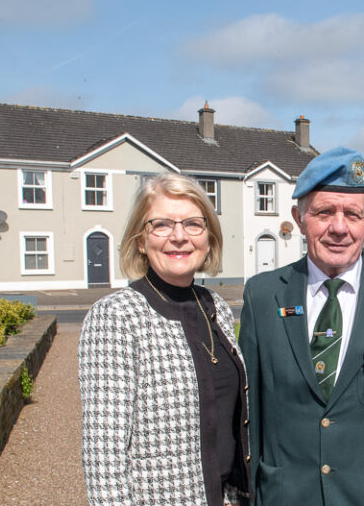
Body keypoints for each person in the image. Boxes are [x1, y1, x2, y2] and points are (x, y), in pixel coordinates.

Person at [238, 147, 364, 506]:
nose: (339, 227)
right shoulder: (262, 296)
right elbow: (249, 412)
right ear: (299, 218)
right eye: (324, 212)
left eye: (352, 214)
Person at [79, 173, 251, 505]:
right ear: (140, 241)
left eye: (193, 224)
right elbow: (104, 456)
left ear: (209, 238)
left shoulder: (216, 306)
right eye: (161, 225)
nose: (179, 236)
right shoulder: (116, 316)